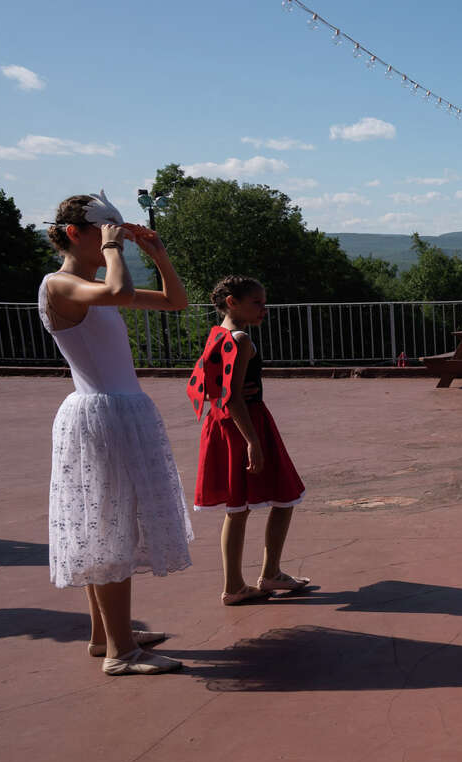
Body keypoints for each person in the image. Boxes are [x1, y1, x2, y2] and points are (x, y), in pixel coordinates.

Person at [39, 192, 192, 675]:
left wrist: (158, 254)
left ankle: (105, 634)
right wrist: (114, 252)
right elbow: (118, 293)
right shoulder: (59, 285)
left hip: (119, 411)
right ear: (74, 234)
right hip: (100, 415)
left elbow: (175, 301)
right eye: (104, 230)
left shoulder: (91, 286)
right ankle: (121, 654)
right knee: (109, 527)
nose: (113, 239)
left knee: (106, 522)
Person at [191, 276, 308, 605]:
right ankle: (265, 574)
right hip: (247, 423)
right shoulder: (241, 340)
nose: (264, 309)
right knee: (285, 497)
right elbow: (235, 398)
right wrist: (253, 442)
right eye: (257, 302)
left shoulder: (219, 334)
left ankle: (237, 583)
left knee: (237, 508)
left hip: (223, 425)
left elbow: (214, 388)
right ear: (232, 302)